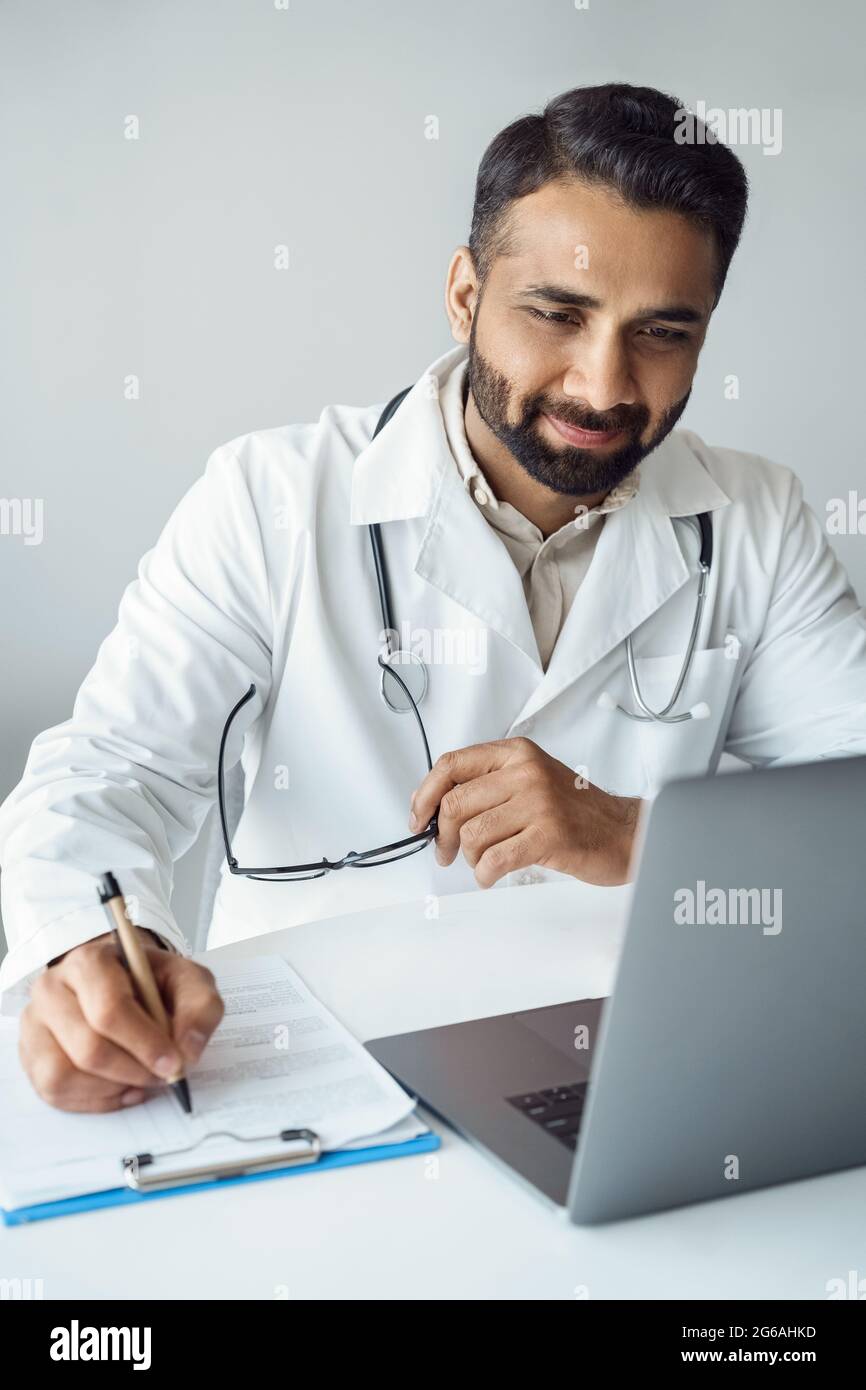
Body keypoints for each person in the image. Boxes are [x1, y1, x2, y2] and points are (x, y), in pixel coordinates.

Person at [3, 83, 865, 1114]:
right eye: (556, 314)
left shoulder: (753, 516)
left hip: (632, 1075)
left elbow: (847, 809)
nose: (600, 385)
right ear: (464, 294)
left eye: (660, 333)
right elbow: (109, 773)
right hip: (322, 1078)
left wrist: (634, 832)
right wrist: (93, 949)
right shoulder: (271, 496)